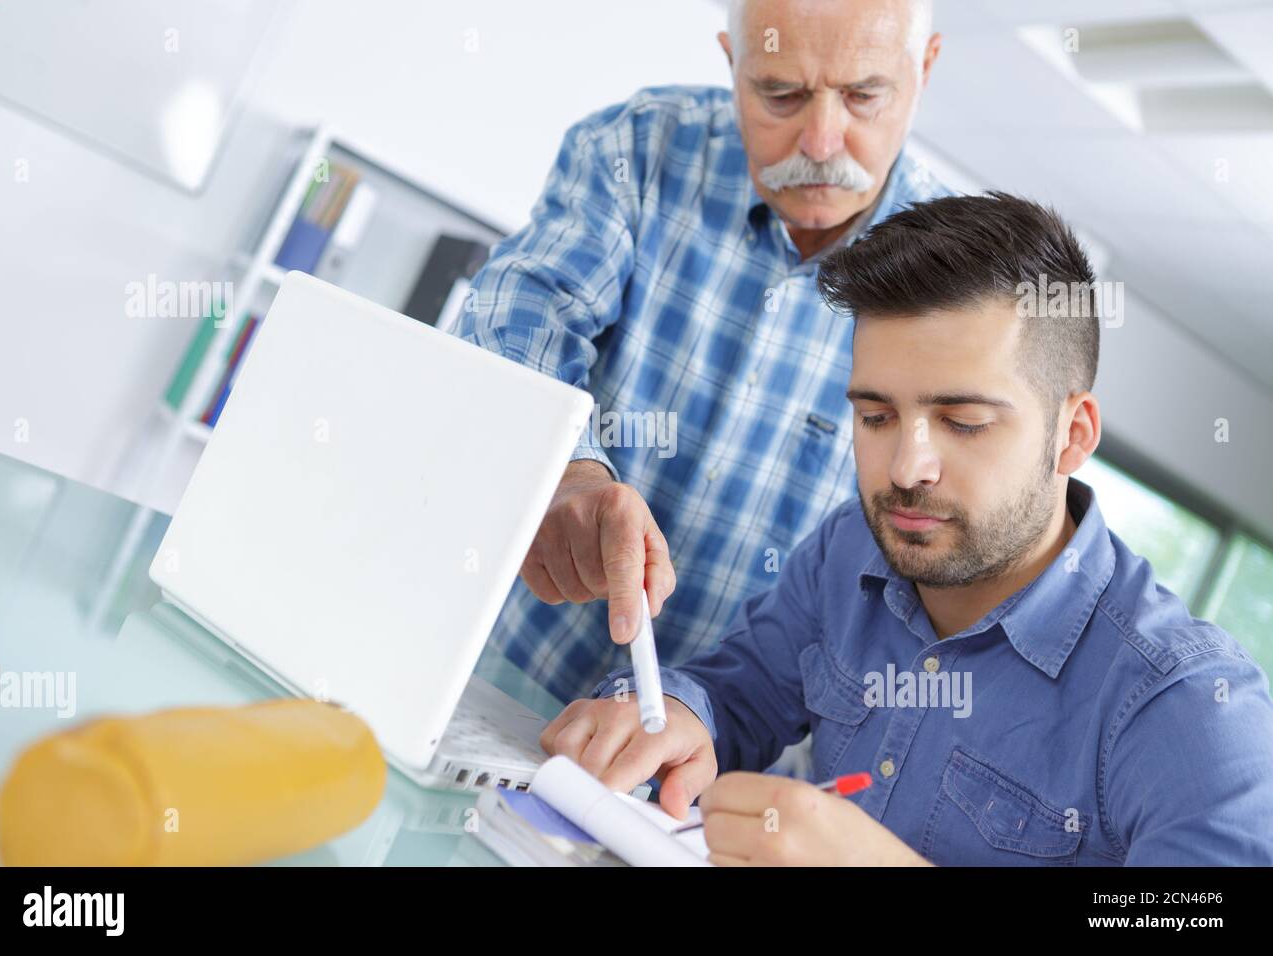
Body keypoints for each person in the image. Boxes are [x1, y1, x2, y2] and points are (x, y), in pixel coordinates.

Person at [539, 192, 1273, 865]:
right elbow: (742, 690)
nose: (905, 467)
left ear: (1072, 435)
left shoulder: (1189, 704)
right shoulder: (851, 548)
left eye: (963, 422)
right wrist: (679, 714)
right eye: (876, 417)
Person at [455, 0, 948, 703]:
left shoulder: (961, 287)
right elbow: (515, 311)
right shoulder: (638, 149)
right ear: (732, 61)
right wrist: (566, 472)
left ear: (922, 71)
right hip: (498, 677)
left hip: (710, 774)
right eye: (780, 93)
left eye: (865, 95)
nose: (820, 141)